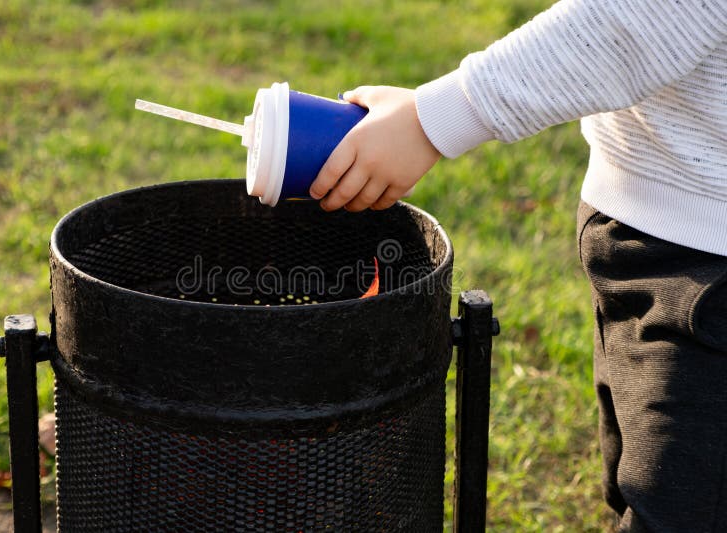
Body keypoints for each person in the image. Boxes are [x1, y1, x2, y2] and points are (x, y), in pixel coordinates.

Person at [309, 1, 727, 530]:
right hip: (638, 229)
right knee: (640, 481)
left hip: (710, 267)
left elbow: (637, 17)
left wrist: (434, 119)